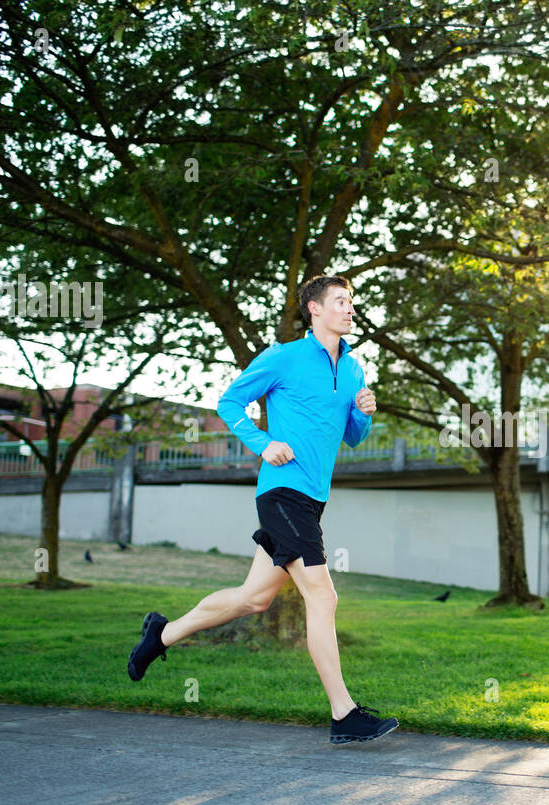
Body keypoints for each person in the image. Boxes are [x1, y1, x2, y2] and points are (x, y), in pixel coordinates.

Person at [126, 275, 399, 745]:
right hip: (282, 491)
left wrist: (364, 412)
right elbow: (229, 402)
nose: (350, 309)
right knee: (323, 596)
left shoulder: (354, 370)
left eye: (351, 302)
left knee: (254, 599)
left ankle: (162, 634)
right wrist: (262, 441)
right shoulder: (283, 356)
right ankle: (344, 714)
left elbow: (351, 436)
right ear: (315, 309)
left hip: (313, 499)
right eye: (341, 301)